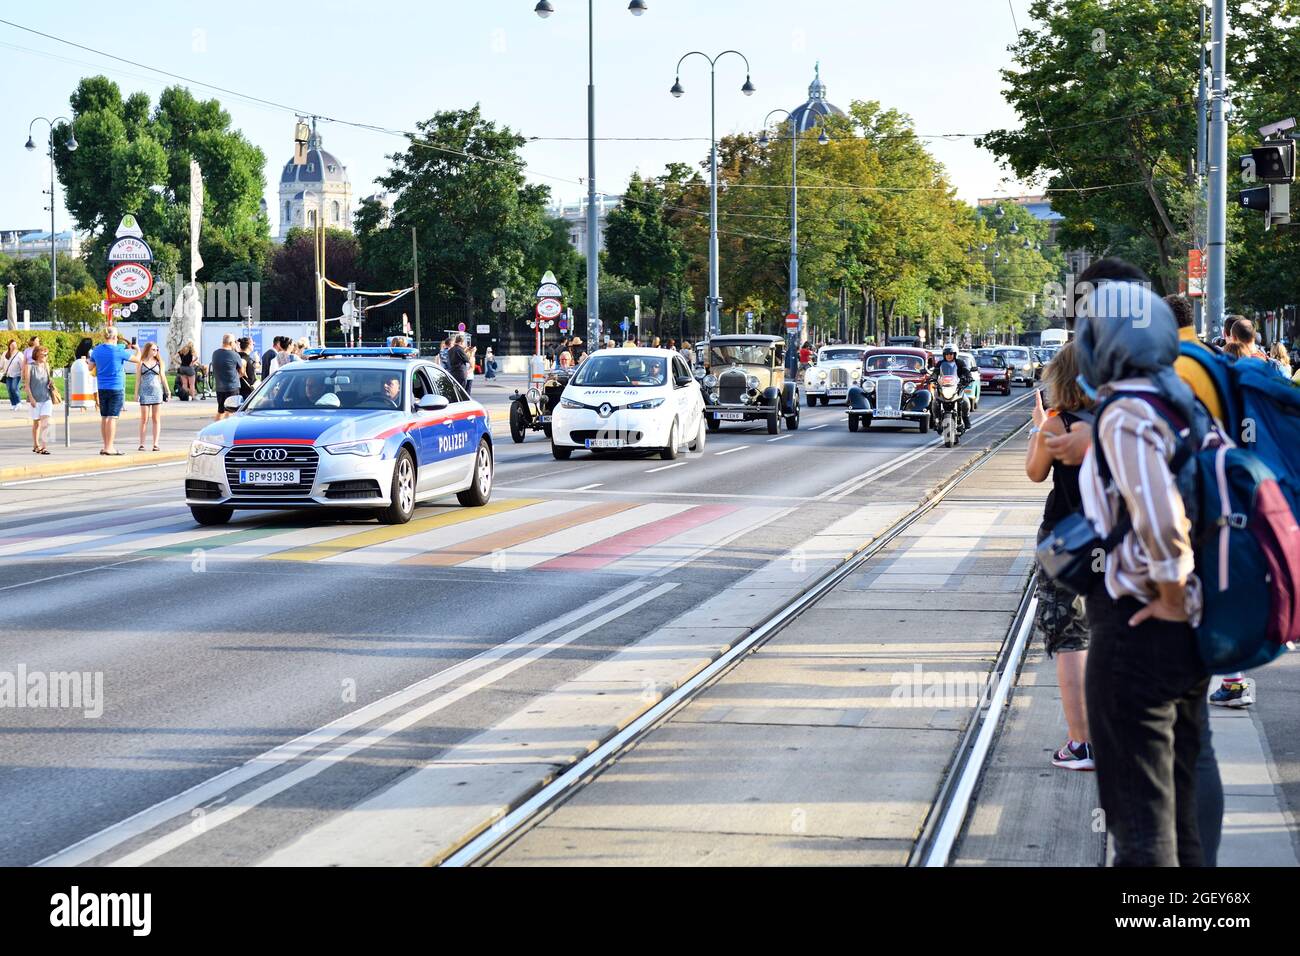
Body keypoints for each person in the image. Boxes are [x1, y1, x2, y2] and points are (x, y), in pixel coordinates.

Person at [1076, 280, 1211, 866]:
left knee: (1139, 827)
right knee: (1179, 818)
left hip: (1139, 627)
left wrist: (1172, 592)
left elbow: (1162, 513)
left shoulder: (1125, 411)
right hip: (1185, 638)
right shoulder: (1177, 396)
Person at [1025, 342, 1094, 770]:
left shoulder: (1056, 423)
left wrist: (1038, 427)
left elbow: (1035, 473)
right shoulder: (1116, 422)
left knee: (1071, 639)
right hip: (1117, 539)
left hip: (1064, 539)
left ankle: (1081, 743)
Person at [88, 329, 138, 455]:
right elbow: (138, 359)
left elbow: (90, 367)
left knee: (104, 417)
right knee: (112, 417)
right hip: (116, 387)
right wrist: (137, 349)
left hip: (102, 387)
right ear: (115, 337)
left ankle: (105, 446)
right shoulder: (119, 351)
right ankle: (110, 447)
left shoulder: (97, 350)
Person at [134, 341, 168, 451]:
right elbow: (138, 380)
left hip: (157, 391)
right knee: (144, 419)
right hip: (144, 391)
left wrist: (167, 390)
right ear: (148, 350)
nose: (155, 351)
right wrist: (136, 394)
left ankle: (155, 443)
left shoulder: (159, 362)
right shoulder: (141, 362)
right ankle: (142, 443)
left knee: (156, 418)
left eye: (157, 349)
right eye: (153, 349)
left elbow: (162, 377)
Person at [23, 344, 55, 454]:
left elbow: (48, 380)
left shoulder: (47, 366)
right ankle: (36, 444)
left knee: (46, 423)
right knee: (36, 423)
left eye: (46, 355)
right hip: (35, 399)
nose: (45, 357)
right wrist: (31, 398)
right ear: (37, 354)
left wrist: (51, 382)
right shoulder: (29, 367)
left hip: (46, 398)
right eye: (43, 354)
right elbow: (26, 385)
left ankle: (44, 446)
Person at [931, 345, 973, 431]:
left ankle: (966, 419)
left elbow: (966, 371)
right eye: (947, 354)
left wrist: (968, 377)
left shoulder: (960, 362)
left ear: (955, 354)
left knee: (965, 401)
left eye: (951, 354)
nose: (949, 356)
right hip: (943, 387)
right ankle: (936, 420)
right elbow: (935, 372)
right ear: (944, 355)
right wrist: (933, 378)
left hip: (957, 387)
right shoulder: (940, 363)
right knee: (935, 402)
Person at [210, 333, 244, 420]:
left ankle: (216, 429)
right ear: (231, 343)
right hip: (232, 387)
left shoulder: (215, 353)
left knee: (220, 411)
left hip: (219, 387)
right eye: (235, 342)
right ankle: (227, 430)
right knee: (230, 412)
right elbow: (242, 372)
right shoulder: (234, 355)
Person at [3, 340, 24, 410]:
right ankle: (13, 404)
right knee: (9, 389)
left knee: (14, 388)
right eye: (12, 345)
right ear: (9, 346)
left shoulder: (19, 354)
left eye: (15, 344)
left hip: (17, 375)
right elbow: (1, 364)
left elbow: (22, 366)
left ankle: (18, 403)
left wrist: (23, 375)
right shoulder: (5, 354)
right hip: (8, 375)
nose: (14, 346)